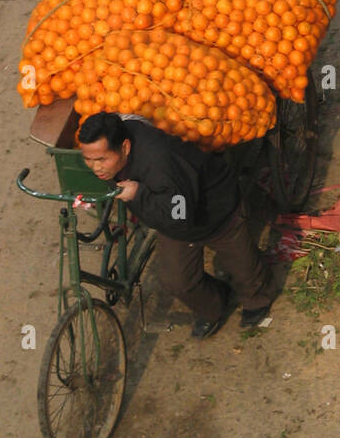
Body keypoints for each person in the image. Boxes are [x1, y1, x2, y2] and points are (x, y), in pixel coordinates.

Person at [77, 111, 276, 337]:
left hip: (213, 209)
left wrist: (139, 194)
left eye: (102, 159)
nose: (95, 168)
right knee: (177, 280)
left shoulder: (160, 162)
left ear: (125, 147)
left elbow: (180, 214)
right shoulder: (119, 136)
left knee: (242, 263)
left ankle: (257, 297)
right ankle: (216, 303)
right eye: (89, 159)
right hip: (172, 217)